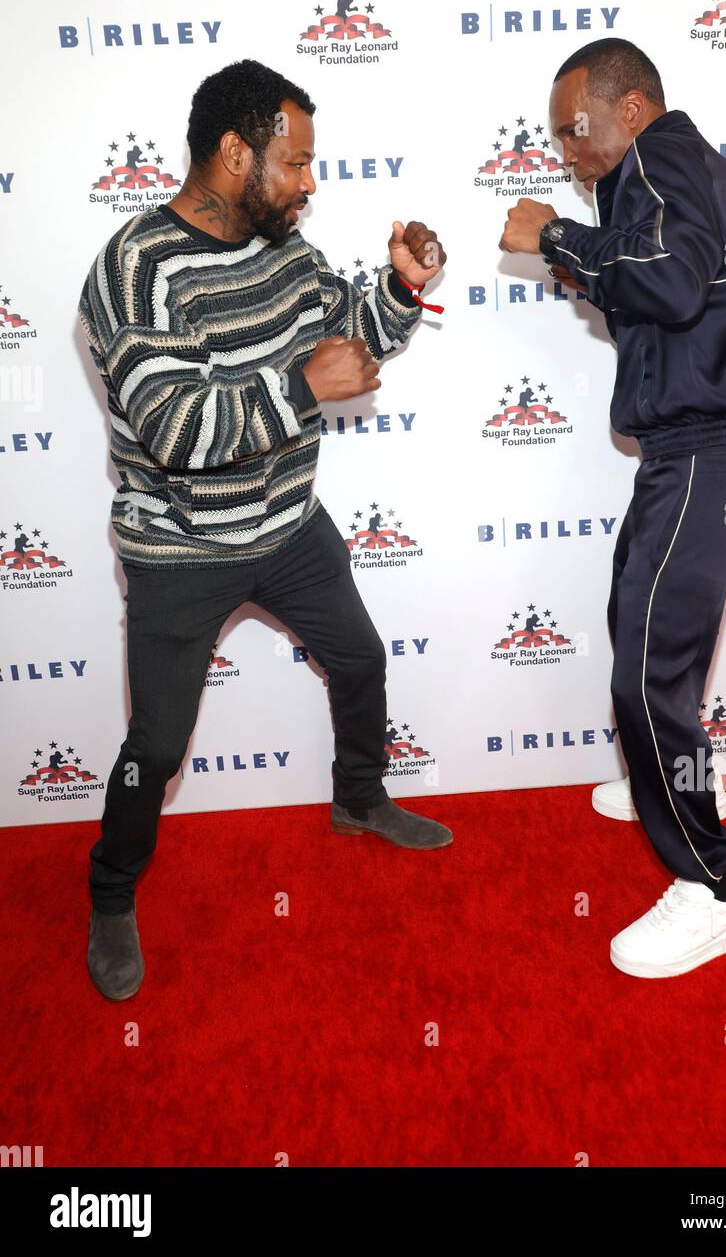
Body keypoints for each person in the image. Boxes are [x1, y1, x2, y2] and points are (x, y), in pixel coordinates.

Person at [78, 59, 450, 1002]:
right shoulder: (134, 270)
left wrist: (399, 292)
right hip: (179, 548)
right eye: (298, 162)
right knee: (159, 746)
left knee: (361, 659)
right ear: (235, 152)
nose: (310, 182)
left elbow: (346, 337)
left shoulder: (287, 250)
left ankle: (359, 798)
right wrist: (301, 387)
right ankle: (112, 892)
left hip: (288, 525)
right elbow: (173, 430)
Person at [499, 37, 726, 979]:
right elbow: (678, 292)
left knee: (645, 673)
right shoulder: (684, 173)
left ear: (629, 109)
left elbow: (667, 279)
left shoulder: (662, 153)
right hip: (700, 452)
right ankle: (658, 777)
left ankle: (713, 890)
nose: (566, 151)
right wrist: (593, 266)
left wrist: (555, 234)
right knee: (641, 622)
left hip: (715, 453)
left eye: (573, 129)